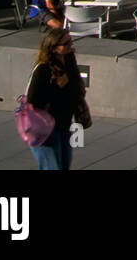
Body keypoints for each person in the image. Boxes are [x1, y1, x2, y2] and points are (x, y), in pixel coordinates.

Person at [25, 28, 88, 170]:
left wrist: (69, 83)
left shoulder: (69, 59)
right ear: (53, 48)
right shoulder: (43, 70)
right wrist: (57, 87)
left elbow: (78, 89)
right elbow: (33, 102)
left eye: (70, 41)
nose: (70, 45)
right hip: (45, 128)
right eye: (66, 44)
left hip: (64, 124)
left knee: (64, 165)